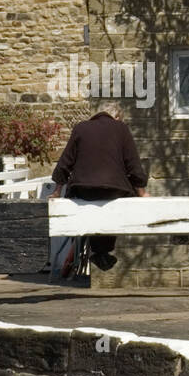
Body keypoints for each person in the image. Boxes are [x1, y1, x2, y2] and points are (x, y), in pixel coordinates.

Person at [49, 101, 149, 271]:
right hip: (114, 189)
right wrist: (142, 192)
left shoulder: (81, 128)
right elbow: (133, 165)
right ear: (116, 116)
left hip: (83, 188)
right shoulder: (121, 128)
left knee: (92, 204)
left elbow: (65, 163)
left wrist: (57, 191)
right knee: (112, 204)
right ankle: (103, 251)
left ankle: (99, 251)